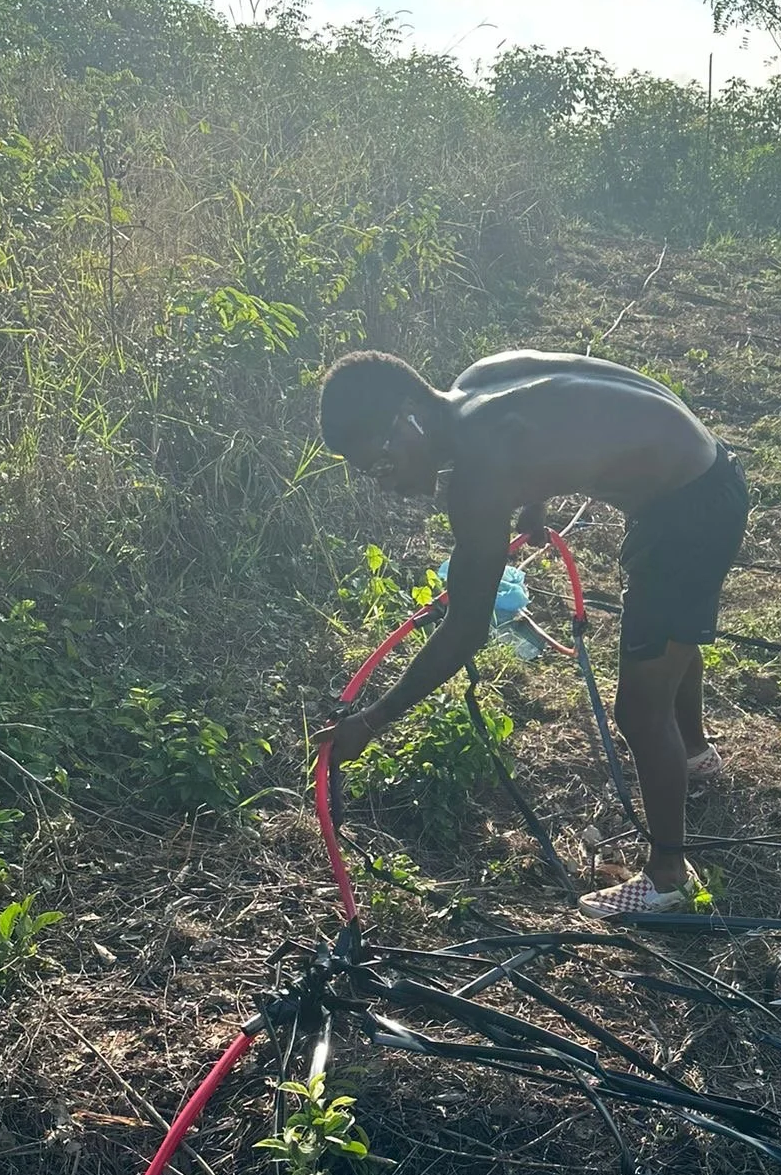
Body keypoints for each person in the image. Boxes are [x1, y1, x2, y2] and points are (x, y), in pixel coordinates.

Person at [316, 348, 749, 917]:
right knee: (668, 634)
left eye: (380, 465)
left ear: (408, 420)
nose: (385, 485)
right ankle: (693, 753)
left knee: (641, 710)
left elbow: (466, 627)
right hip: (709, 468)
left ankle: (668, 878)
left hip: (690, 512)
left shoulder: (479, 477)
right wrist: (535, 502)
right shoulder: (480, 382)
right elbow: (570, 415)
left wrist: (371, 721)